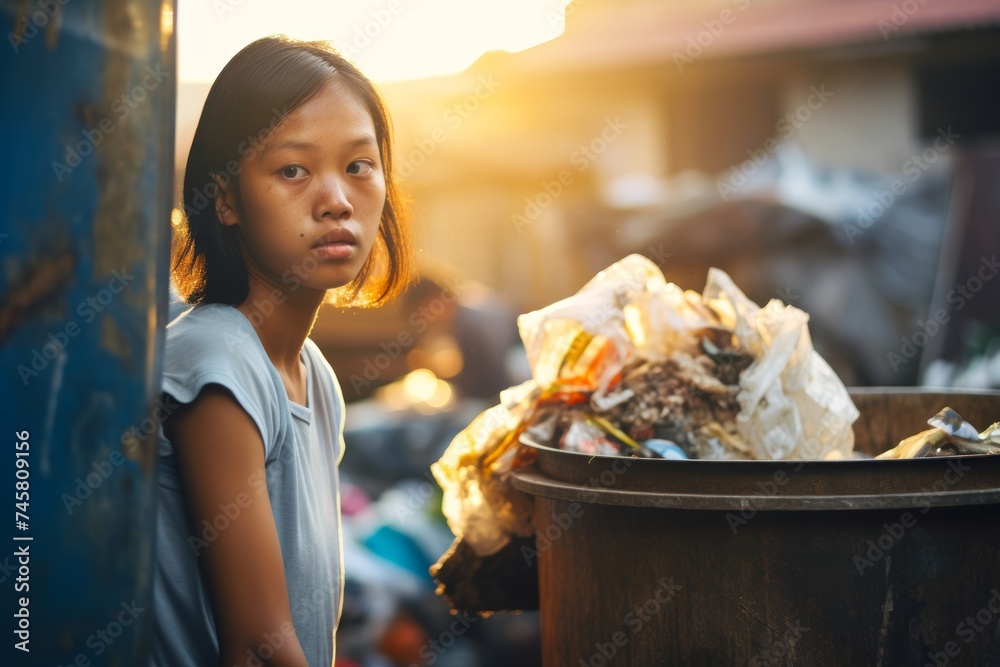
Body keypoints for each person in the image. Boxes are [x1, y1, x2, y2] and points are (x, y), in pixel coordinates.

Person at [153, 36, 413, 667]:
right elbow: (260, 647)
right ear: (224, 199)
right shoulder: (214, 362)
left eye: (358, 165)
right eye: (293, 169)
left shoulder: (313, 374)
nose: (337, 200)